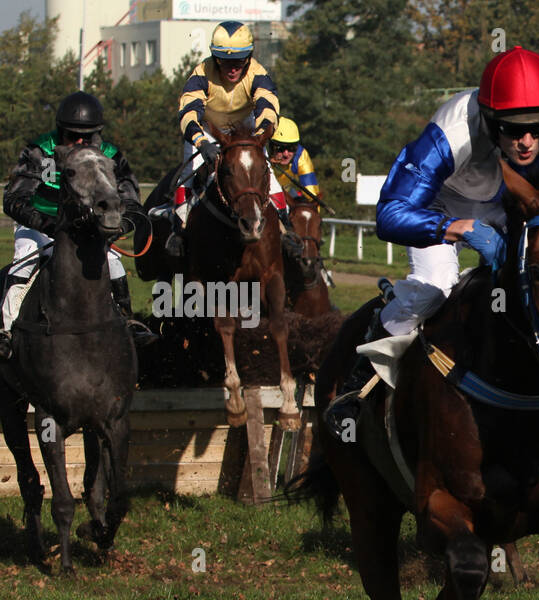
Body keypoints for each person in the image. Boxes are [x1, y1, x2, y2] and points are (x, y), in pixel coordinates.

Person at [324, 46, 539, 437]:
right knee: (435, 288)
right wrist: (458, 227)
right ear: (489, 119)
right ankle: (360, 379)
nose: (526, 141)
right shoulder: (451, 134)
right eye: (512, 130)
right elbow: (390, 214)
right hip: (437, 206)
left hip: (508, 205)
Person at [1, 90, 158, 358]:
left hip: (89, 228)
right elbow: (14, 199)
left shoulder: (110, 155)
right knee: (24, 261)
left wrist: (117, 227)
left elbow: (132, 203)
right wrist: (50, 225)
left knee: (114, 264)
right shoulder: (40, 151)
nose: (79, 142)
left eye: (87, 137)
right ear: (60, 131)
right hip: (41, 226)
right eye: (72, 136)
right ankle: (6, 332)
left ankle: (128, 324)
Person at [168, 20, 287, 257]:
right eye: (224, 61)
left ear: (248, 57)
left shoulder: (258, 74)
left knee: (270, 180)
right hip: (208, 132)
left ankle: (287, 231)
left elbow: (268, 108)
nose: (232, 69)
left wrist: (259, 138)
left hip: (246, 134)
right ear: (215, 58)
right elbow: (188, 112)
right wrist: (201, 143)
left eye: (239, 61)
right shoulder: (201, 73)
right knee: (186, 179)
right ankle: (178, 232)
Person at [269, 117, 322, 204]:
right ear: (270, 146)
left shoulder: (300, 155)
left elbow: (312, 196)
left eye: (291, 148)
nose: (286, 154)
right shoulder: (260, 153)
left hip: (286, 194)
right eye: (280, 148)